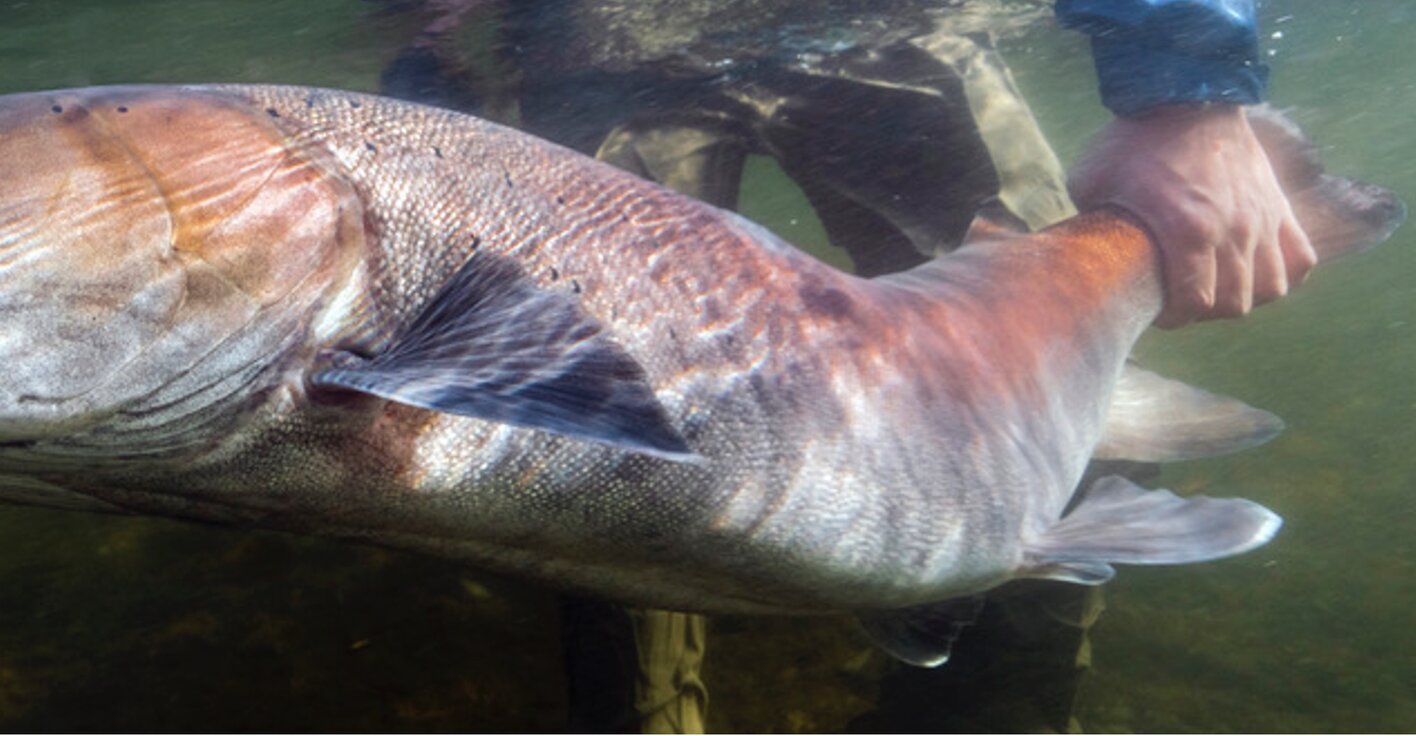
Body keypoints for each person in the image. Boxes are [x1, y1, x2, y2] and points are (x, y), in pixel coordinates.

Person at [376, 0, 1302, 732]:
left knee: (1059, 367)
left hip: (897, 23)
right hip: (601, 39)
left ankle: (996, 720)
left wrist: (1188, 78)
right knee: (578, 415)